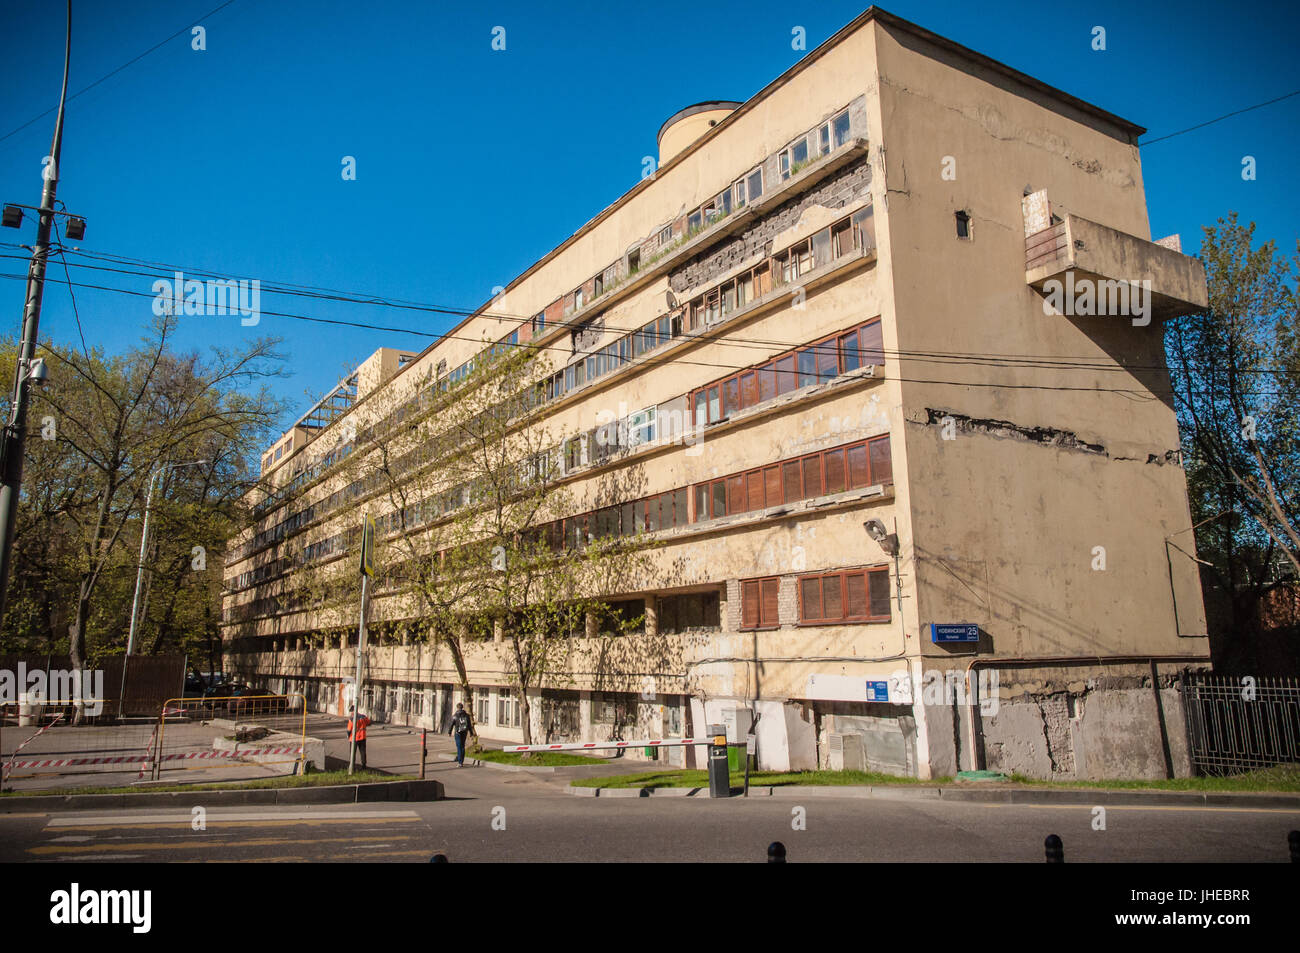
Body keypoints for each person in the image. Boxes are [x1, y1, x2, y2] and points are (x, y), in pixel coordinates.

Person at [449, 702, 472, 766]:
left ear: (457, 707)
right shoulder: (467, 715)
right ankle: (462, 761)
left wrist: (449, 732)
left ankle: (460, 762)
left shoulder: (455, 715)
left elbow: (452, 724)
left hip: (457, 732)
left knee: (459, 747)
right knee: (463, 746)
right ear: (462, 707)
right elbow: (469, 725)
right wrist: (471, 733)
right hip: (464, 732)